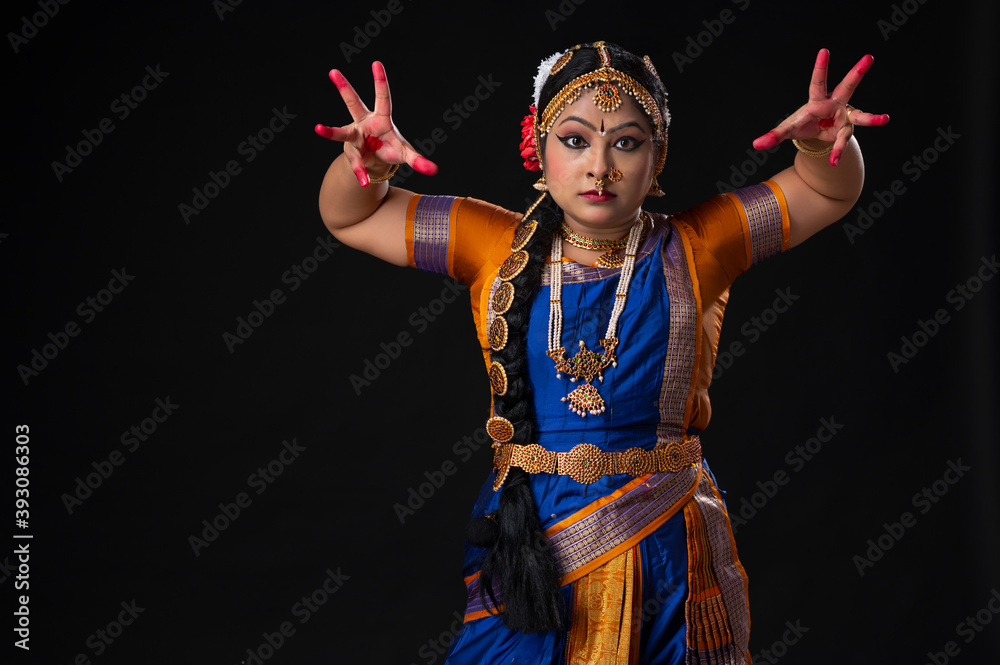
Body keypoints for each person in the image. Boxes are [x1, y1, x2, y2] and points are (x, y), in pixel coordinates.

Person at [315, 41, 887, 665]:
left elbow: (824, 193)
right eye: (576, 139)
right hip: (532, 540)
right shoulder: (488, 242)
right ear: (537, 145)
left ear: (657, 154)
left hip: (666, 544)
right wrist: (362, 165)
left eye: (627, 142)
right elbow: (352, 218)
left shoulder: (700, 246)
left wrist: (820, 147)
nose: (600, 167)